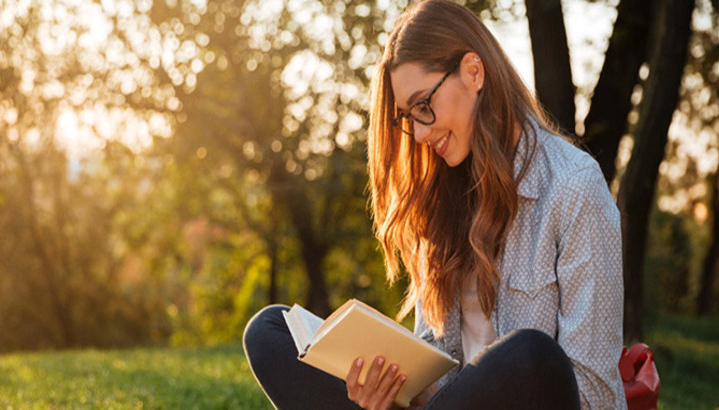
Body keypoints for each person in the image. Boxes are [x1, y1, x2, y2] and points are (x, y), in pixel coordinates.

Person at [243, 0, 626, 408]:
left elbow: (594, 396)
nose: (421, 133)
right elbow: (435, 369)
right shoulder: (441, 194)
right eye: (409, 117)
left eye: (424, 105)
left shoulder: (573, 187)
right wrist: (386, 391)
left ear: (473, 72)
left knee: (531, 358)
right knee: (270, 332)